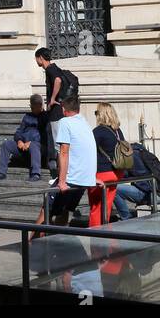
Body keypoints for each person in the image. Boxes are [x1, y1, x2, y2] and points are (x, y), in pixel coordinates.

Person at [33, 93, 96, 237]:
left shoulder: (65, 122)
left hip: (71, 179)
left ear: (63, 109)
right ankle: (60, 243)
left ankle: (31, 247)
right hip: (85, 180)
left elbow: (64, 152)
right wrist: (91, 176)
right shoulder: (85, 123)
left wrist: (61, 181)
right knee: (64, 210)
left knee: (46, 211)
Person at [35, 48, 78, 179]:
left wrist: (52, 99)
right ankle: (66, 172)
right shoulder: (56, 68)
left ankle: (62, 175)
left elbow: (58, 81)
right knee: (64, 144)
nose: (36, 61)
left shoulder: (50, 69)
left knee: (58, 145)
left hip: (56, 113)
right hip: (63, 111)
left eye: (36, 58)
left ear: (41, 58)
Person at [0, 94, 48, 181]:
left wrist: (31, 142)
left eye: (34, 107)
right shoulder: (27, 116)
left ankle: (35, 173)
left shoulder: (46, 117)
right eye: (31, 107)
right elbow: (19, 131)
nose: (32, 109)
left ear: (40, 106)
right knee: (6, 144)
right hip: (24, 146)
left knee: (34, 145)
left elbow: (46, 136)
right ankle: (1, 172)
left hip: (39, 147)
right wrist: (19, 140)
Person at [91, 103, 128, 226]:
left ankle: (96, 239)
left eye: (96, 113)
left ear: (101, 114)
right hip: (116, 173)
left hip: (102, 174)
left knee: (96, 209)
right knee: (106, 207)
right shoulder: (118, 131)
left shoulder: (98, 132)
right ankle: (107, 237)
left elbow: (89, 152)